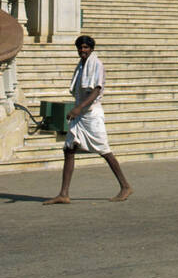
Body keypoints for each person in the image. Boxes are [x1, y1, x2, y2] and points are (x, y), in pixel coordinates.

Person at [44, 35, 132, 203]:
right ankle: (64, 193)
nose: (82, 51)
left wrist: (78, 108)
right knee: (69, 149)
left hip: (92, 114)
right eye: (80, 47)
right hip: (81, 115)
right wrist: (78, 109)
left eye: (85, 47)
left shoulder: (96, 64)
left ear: (91, 49)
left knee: (104, 150)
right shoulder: (81, 66)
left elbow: (96, 90)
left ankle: (125, 186)